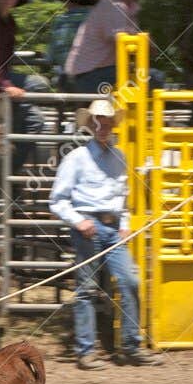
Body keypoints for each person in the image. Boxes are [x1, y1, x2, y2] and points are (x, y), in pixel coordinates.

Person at [48, 99, 161, 369]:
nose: (102, 125)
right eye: (97, 121)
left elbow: (121, 196)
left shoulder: (119, 157)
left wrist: (123, 222)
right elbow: (57, 200)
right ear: (90, 124)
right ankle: (86, 350)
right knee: (87, 289)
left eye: (107, 121)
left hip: (111, 229)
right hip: (87, 227)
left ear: (112, 125)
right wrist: (78, 221)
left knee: (130, 281)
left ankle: (130, 345)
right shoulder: (76, 158)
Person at [0, 0, 52, 174]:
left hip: (0, 78)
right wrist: (5, 86)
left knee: (37, 121)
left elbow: (2, 61)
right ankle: (7, 178)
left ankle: (9, 174)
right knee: (39, 84)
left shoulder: (9, 22)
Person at [63, 0, 143, 95]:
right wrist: (147, 43)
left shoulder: (123, 7)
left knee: (144, 76)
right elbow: (124, 42)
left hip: (84, 75)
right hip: (89, 77)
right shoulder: (115, 6)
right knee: (153, 78)